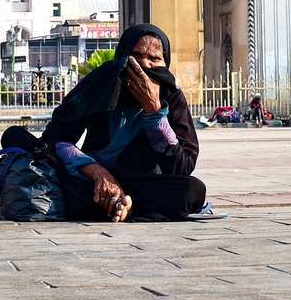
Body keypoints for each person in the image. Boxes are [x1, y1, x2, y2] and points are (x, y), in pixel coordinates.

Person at [44, 24, 216, 221]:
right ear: (122, 56)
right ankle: (121, 204)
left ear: (165, 61)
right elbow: (53, 139)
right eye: (135, 56)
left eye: (154, 58)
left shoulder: (172, 97)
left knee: (192, 189)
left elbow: (182, 168)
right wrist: (95, 171)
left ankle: (126, 205)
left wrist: (155, 112)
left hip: (140, 181)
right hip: (90, 179)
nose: (144, 65)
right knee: (15, 136)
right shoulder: (100, 85)